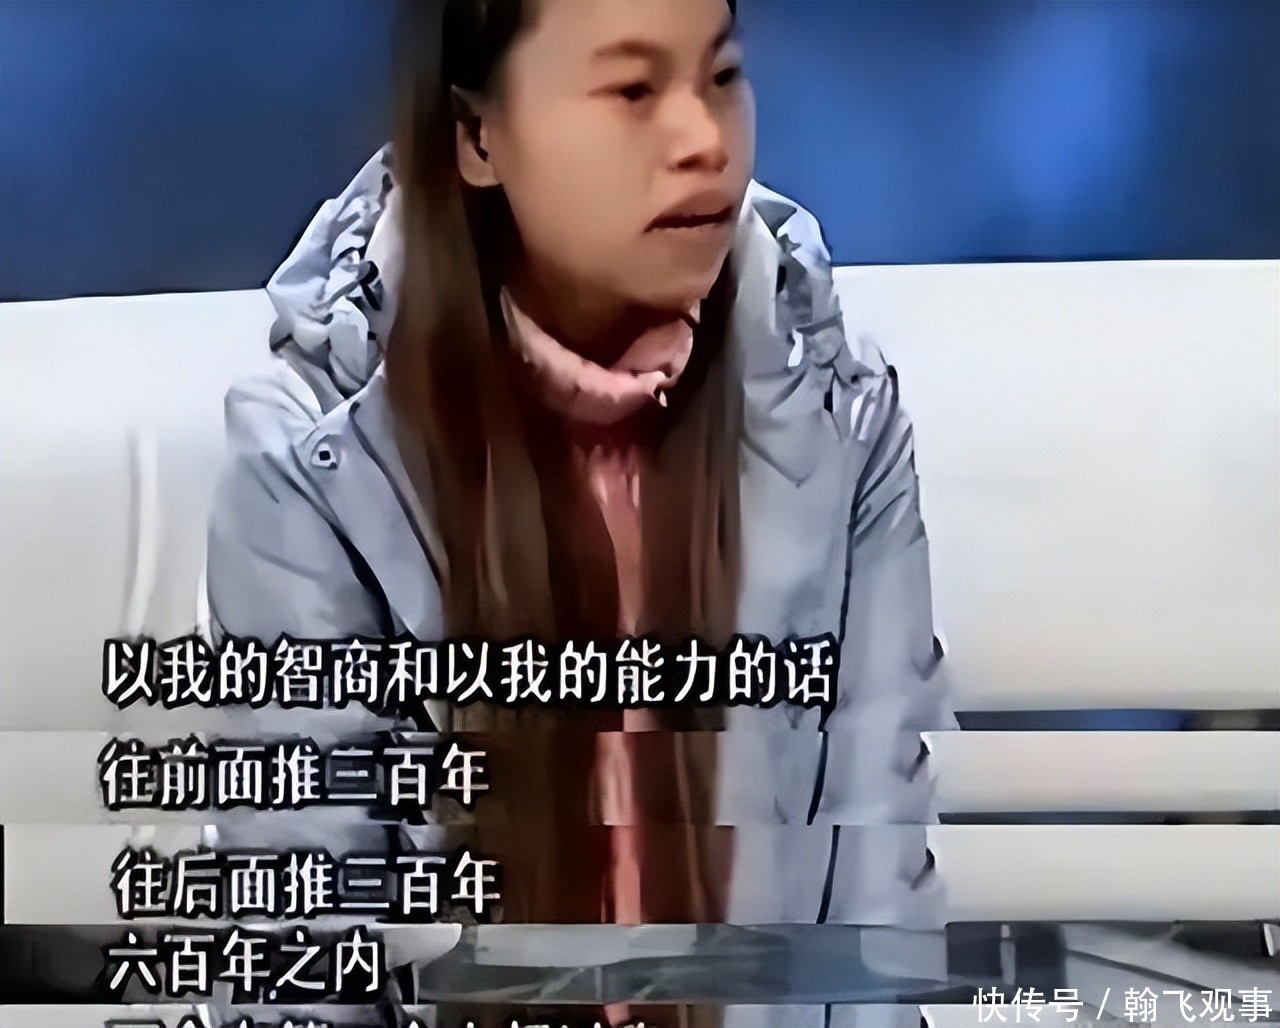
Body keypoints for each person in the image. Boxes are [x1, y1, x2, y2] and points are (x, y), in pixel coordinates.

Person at [207, 1, 956, 1025]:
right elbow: (306, 961)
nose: (702, 140)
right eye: (631, 90)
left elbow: (874, 921)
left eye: (721, 77)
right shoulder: (314, 464)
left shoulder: (840, 417)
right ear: (477, 136)